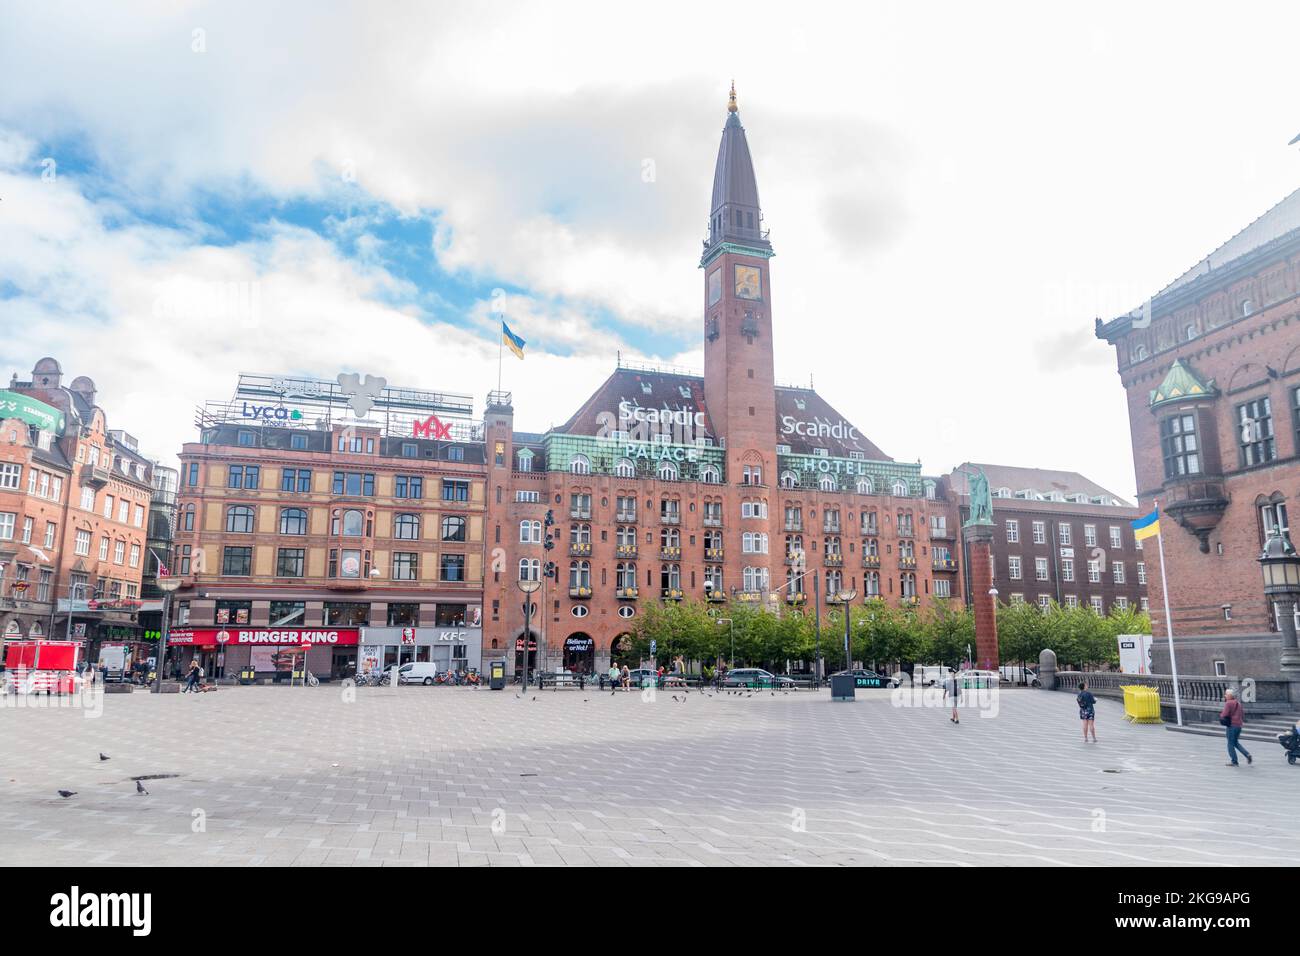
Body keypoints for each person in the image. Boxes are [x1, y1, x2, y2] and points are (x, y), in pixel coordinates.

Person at [1220, 688, 1252, 766]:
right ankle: (1247, 754)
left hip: (1231, 726)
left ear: (1230, 696)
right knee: (1235, 742)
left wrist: (1221, 716)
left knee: (1230, 743)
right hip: (1238, 726)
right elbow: (1242, 715)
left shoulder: (1228, 703)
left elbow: (1224, 714)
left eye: (1226, 694)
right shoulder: (1238, 703)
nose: (1225, 696)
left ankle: (1234, 761)